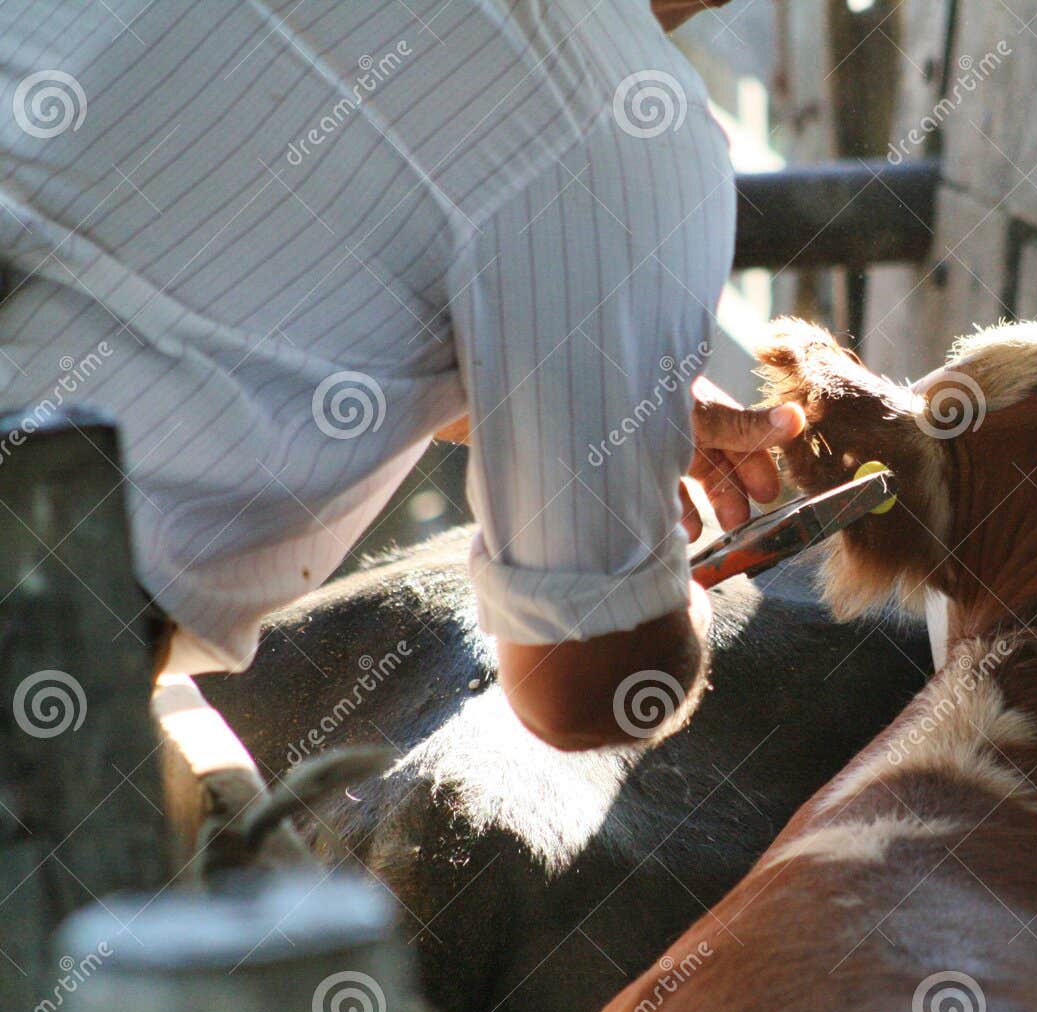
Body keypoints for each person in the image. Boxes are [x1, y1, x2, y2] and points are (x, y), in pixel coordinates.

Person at [0, 0, 800, 750]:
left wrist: (591, 398)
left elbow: (209, 232)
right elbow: (585, 680)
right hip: (33, 614)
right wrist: (680, 598)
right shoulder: (619, 119)